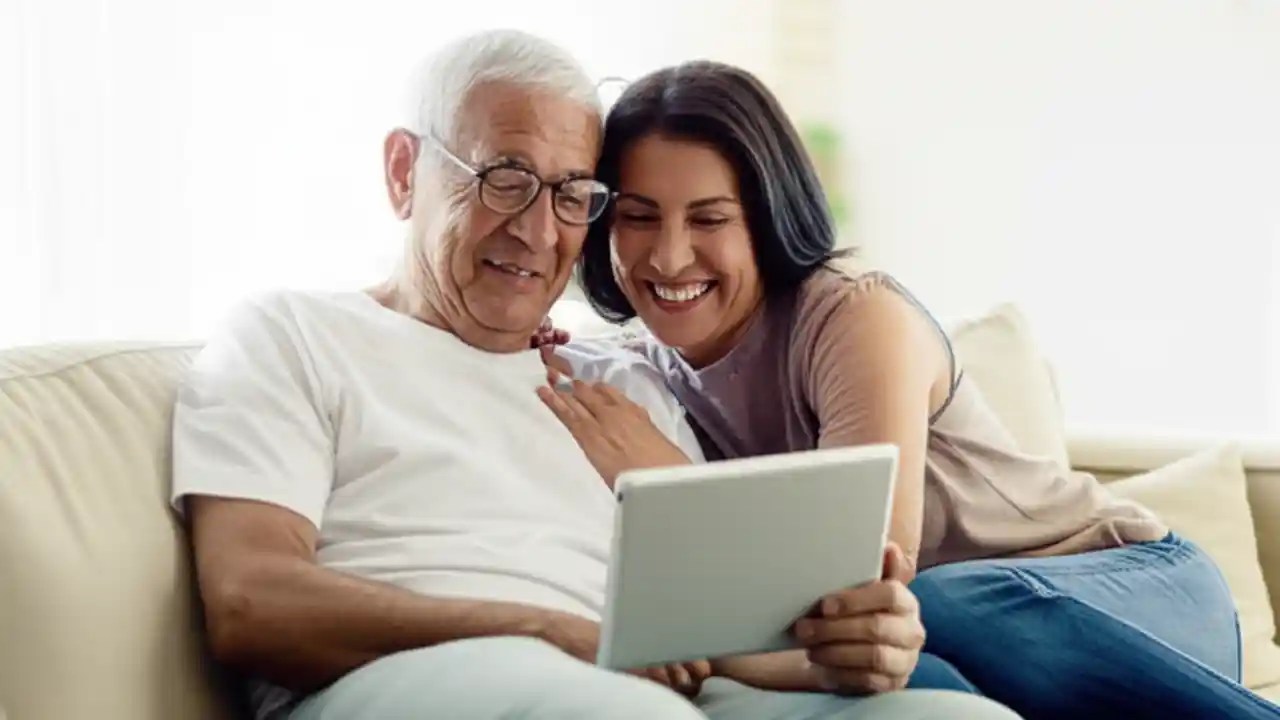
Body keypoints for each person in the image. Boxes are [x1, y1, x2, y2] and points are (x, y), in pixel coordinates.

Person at [170, 30, 1019, 720]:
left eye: (573, 194)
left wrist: (849, 646)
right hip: (411, 681)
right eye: (505, 179)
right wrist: (553, 632)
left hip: (647, 687)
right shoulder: (291, 334)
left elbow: (729, 638)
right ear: (404, 172)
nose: (540, 232)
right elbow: (252, 603)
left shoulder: (624, 386)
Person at [542, 59, 1280, 720]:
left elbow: (860, 576)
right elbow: (846, 643)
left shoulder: (855, 314)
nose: (669, 256)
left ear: (765, 220)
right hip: (955, 641)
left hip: (1130, 593)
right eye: (639, 217)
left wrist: (657, 476)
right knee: (886, 674)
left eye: (710, 219)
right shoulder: (640, 367)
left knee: (930, 605)